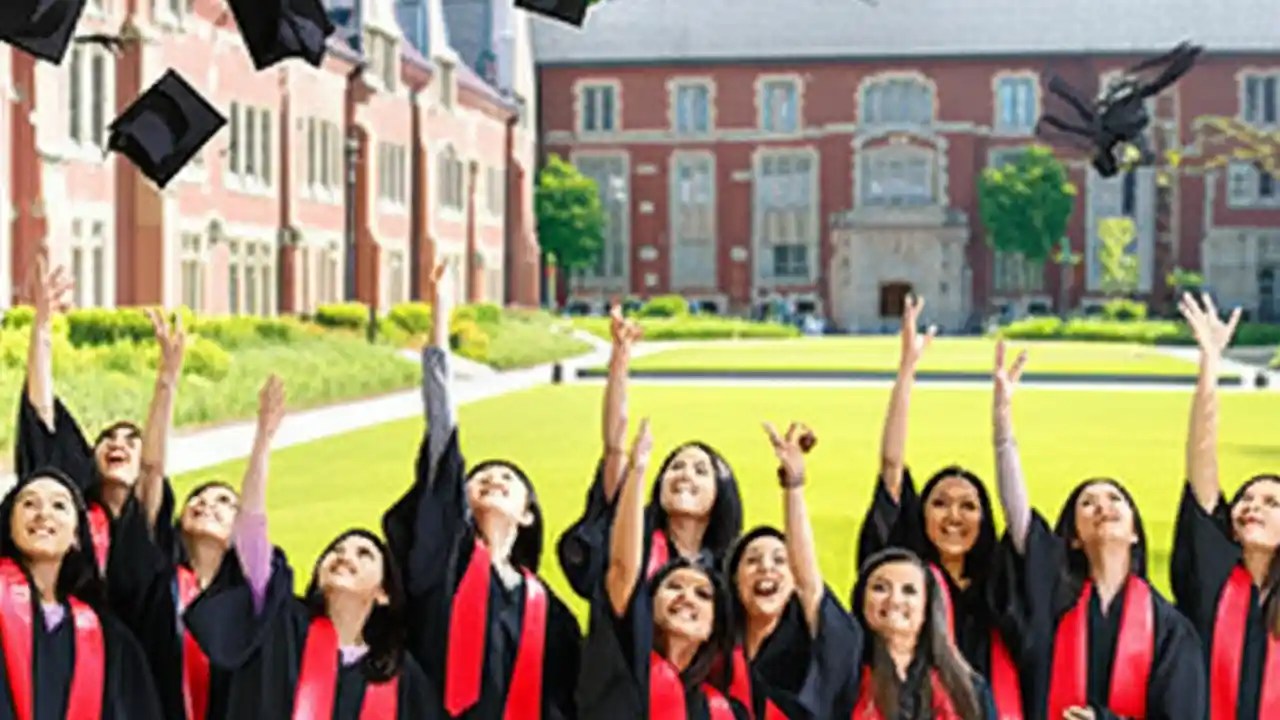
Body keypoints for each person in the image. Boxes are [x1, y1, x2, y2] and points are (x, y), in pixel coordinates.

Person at [382, 263, 581, 719]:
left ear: (527, 514)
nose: (492, 480)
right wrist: (440, 324)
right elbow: (441, 443)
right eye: (480, 478)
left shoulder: (549, 611)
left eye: (508, 480)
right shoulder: (440, 561)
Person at [183, 376, 439, 719]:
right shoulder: (283, 625)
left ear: (383, 593)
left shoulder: (397, 674)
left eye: (363, 554)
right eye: (336, 551)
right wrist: (263, 441)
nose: (345, 556)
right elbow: (251, 536)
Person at [989, 343, 1206, 720]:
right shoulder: (1052, 600)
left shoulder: (1167, 627)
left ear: (1135, 531)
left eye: (1115, 499)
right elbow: (1018, 516)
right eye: (1087, 503)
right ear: (1073, 535)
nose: (1102, 507)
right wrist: (1002, 427)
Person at [857, 297, 1022, 718]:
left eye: (968, 506)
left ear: (984, 519)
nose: (953, 515)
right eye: (940, 503)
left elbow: (1020, 520)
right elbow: (892, 467)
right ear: (922, 514)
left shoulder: (998, 585)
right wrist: (907, 370)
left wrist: (1003, 419)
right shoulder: (905, 572)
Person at [558, 305, 743, 600]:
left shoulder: (730, 573)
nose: (684, 474)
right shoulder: (633, 542)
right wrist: (620, 361)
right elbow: (615, 446)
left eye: (700, 470)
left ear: (720, 494)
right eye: (676, 466)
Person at [14, 249, 180, 570]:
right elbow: (42, 412)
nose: (118, 443)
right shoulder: (70, 508)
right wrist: (41, 329)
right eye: (109, 438)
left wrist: (166, 382)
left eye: (131, 440)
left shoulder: (146, 520)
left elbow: (152, 468)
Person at [579, 418, 748, 719]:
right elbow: (622, 568)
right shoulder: (618, 667)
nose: (687, 598)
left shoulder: (719, 709)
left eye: (703, 595)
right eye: (672, 587)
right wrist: (636, 471)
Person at [1170, 293, 1279, 720]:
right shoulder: (1214, 577)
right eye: (1247, 499)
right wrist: (1210, 363)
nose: (1252, 505)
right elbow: (1201, 459)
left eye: (1271, 502)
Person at [0, 467, 163, 719]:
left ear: (77, 535)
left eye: (59, 506)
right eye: (29, 504)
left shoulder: (107, 637)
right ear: (9, 525)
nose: (44, 514)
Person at [724, 422, 862, 719]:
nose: (766, 568)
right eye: (752, 560)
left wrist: (794, 486)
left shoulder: (808, 640)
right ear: (734, 581)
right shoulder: (718, 644)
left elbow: (809, 584)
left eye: (779, 560)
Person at [851, 547, 996, 719]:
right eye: (880, 588)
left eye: (909, 590)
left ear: (927, 606)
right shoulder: (845, 677)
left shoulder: (969, 689)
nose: (895, 600)